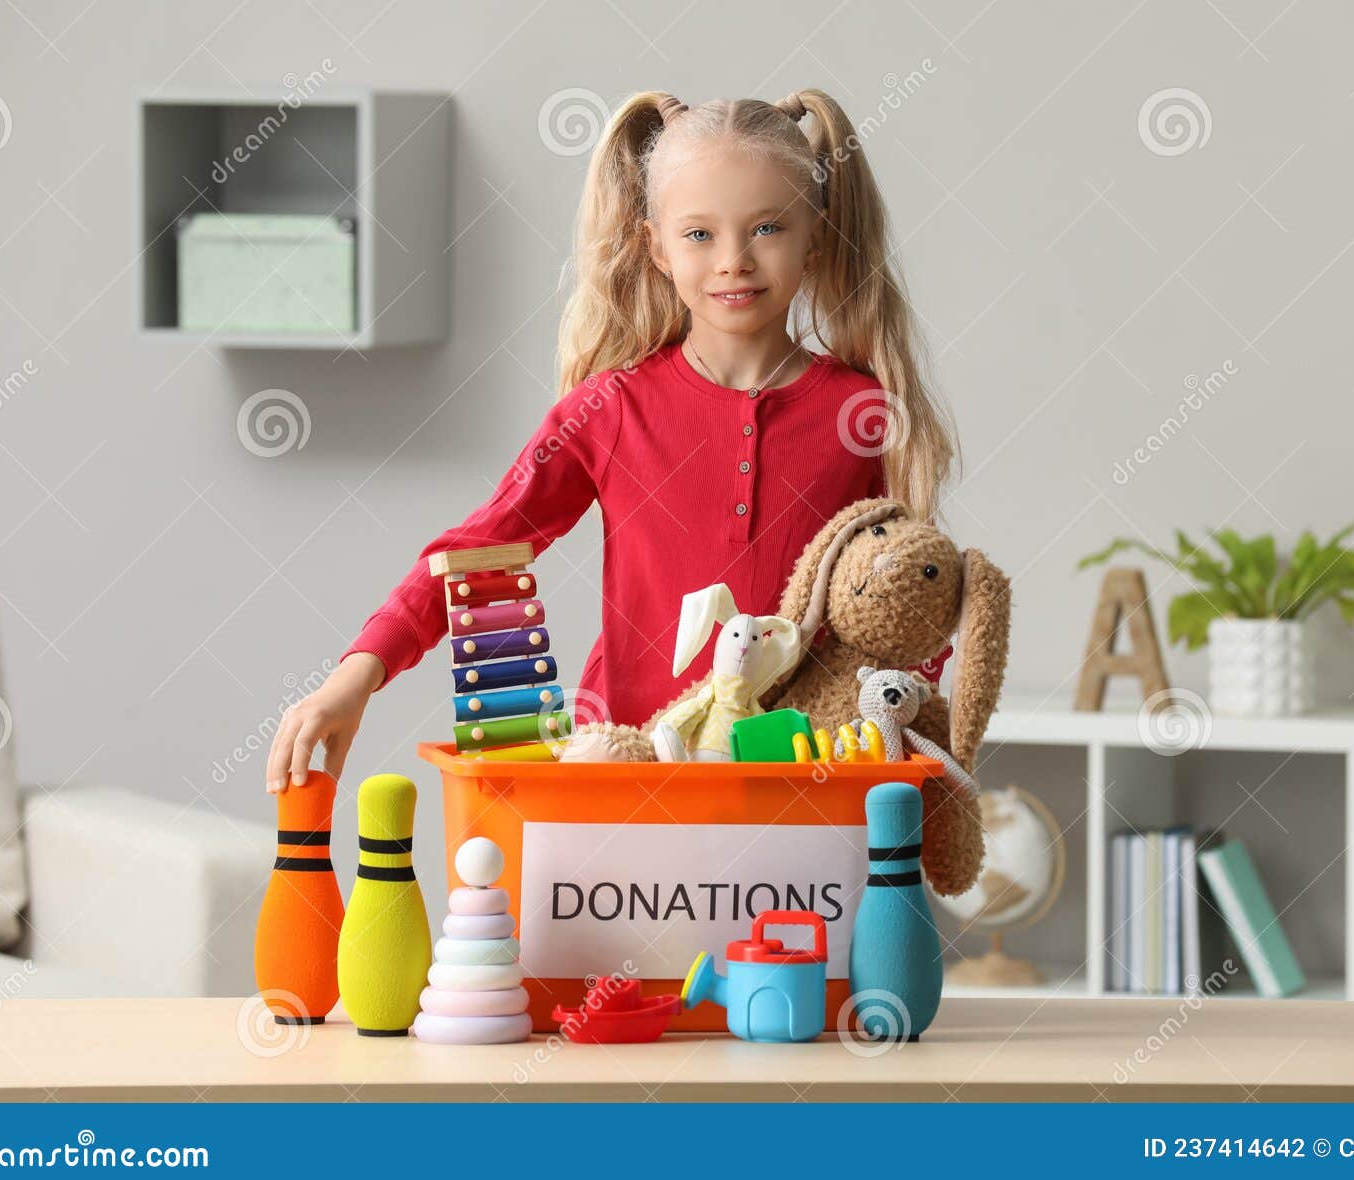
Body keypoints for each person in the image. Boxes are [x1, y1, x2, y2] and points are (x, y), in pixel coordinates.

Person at [266, 88, 960, 794]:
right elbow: (477, 550)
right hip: (623, 782)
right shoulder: (607, 409)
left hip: (803, 790)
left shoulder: (864, 413)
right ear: (653, 245)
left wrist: (904, 736)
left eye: (767, 229)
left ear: (817, 231)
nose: (733, 261)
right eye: (699, 234)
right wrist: (356, 676)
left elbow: (909, 605)